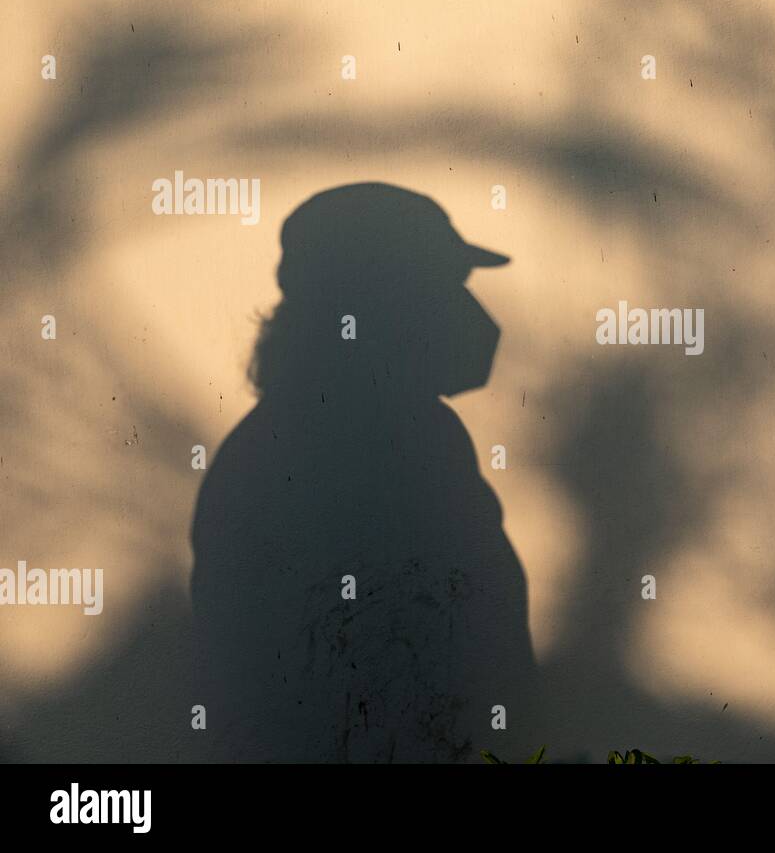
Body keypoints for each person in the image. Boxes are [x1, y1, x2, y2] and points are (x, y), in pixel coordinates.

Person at [191, 183, 537, 762]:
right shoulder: (371, 447)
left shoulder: (391, 433)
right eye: (442, 288)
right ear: (379, 301)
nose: (469, 314)